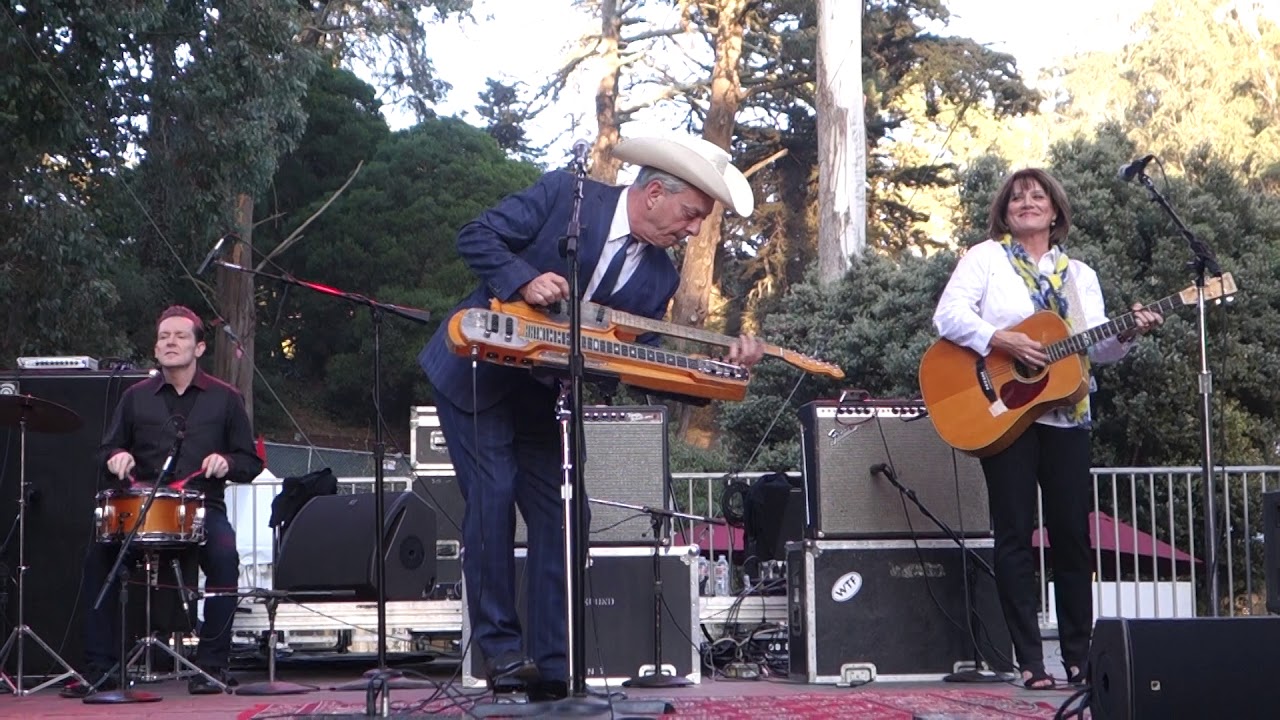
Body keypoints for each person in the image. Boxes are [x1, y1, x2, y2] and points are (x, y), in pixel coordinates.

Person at [418, 134, 764, 700]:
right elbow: (475, 235)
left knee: (565, 517)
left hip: (545, 401)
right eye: (691, 214)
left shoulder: (661, 277)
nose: (694, 229)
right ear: (655, 193)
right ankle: (502, 653)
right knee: (494, 494)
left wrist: (719, 371)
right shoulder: (565, 195)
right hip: (477, 376)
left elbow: (639, 363)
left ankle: (556, 666)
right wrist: (524, 279)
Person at [932, 169, 1162, 689]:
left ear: (1055, 210)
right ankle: (1031, 662)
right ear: (1004, 211)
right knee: (1014, 534)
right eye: (1017, 197)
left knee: (1073, 537)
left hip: (1066, 415)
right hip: (1003, 412)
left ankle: (1079, 657)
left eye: (1038, 196)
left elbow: (1095, 347)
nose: (1027, 203)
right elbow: (948, 317)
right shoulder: (986, 258)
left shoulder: (1079, 276)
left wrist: (1127, 334)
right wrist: (1002, 340)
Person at [62, 305, 263, 698]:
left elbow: (251, 461)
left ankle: (212, 666)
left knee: (225, 557)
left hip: (202, 507)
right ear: (155, 349)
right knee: (97, 559)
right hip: (141, 508)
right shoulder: (135, 398)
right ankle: (101, 669)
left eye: (180, 336)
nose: (171, 342)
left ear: (199, 347)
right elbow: (105, 450)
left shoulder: (226, 398)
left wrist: (227, 462)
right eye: (164, 337)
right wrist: (116, 456)